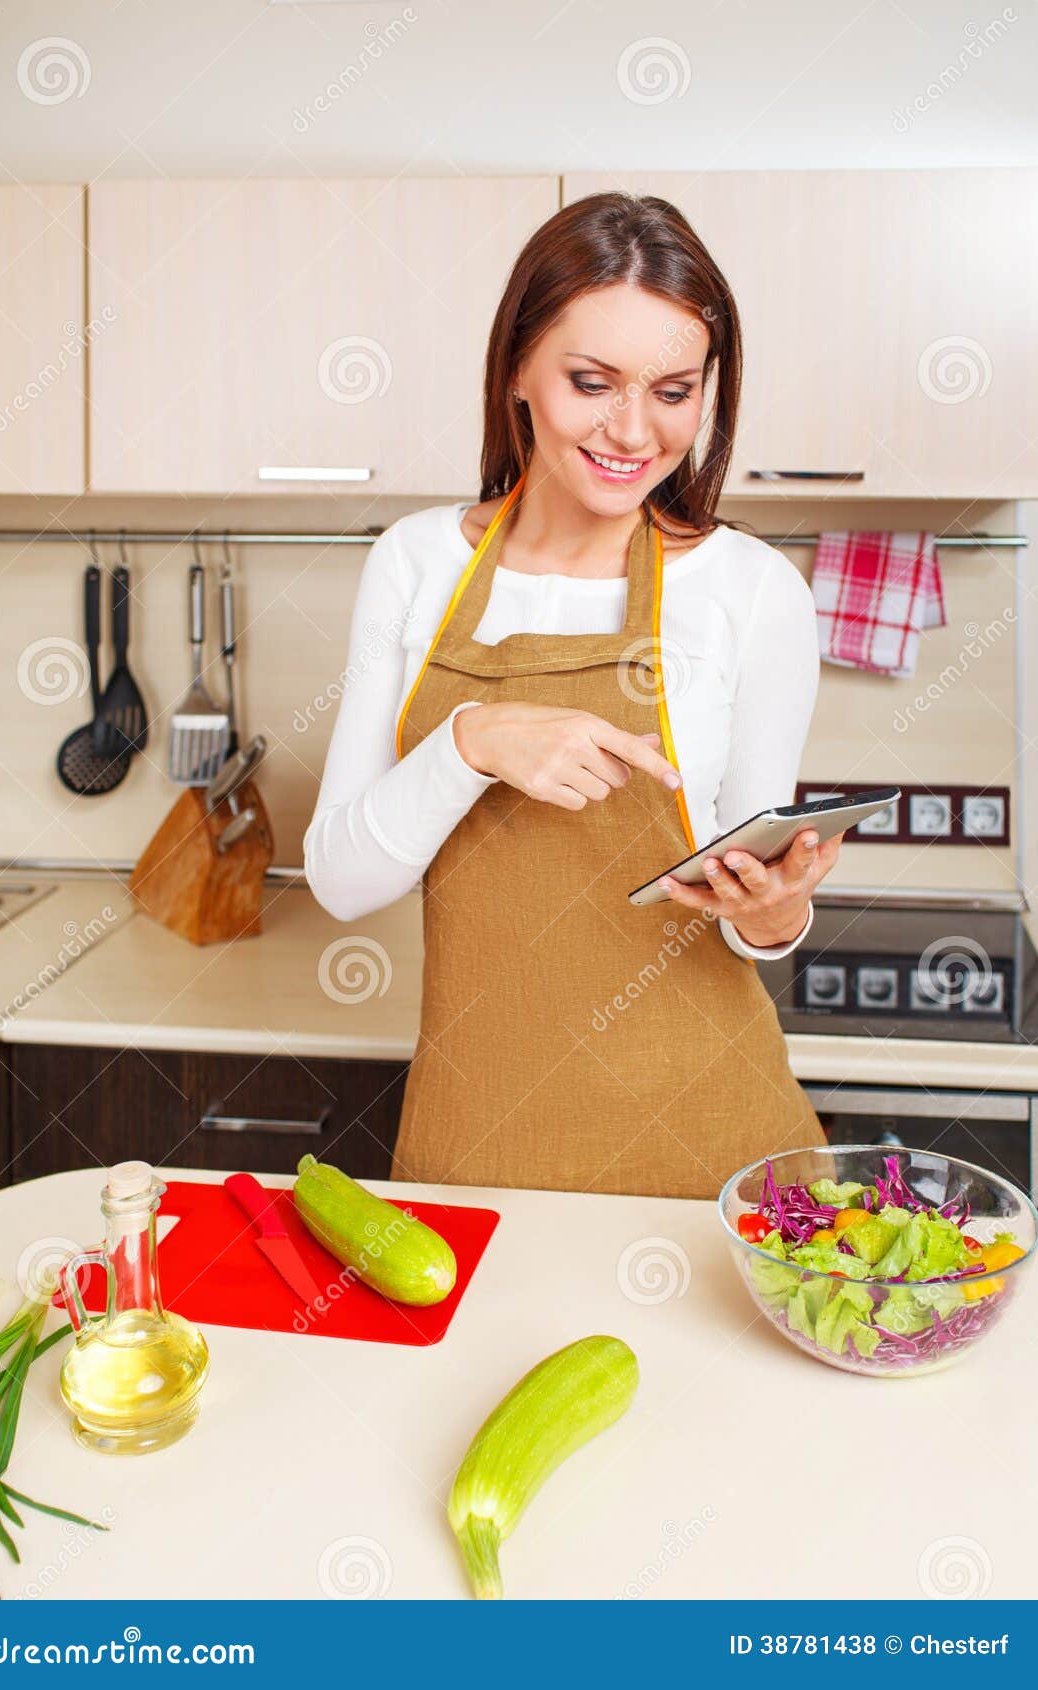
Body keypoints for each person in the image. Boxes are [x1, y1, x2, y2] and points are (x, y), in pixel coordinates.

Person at [303, 192, 844, 1199]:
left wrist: (773, 913)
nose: (631, 430)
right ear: (516, 368)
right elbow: (339, 881)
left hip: (707, 1140)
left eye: (673, 390)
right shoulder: (416, 562)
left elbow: (744, 898)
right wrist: (468, 741)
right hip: (481, 1141)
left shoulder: (749, 588)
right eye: (590, 381)